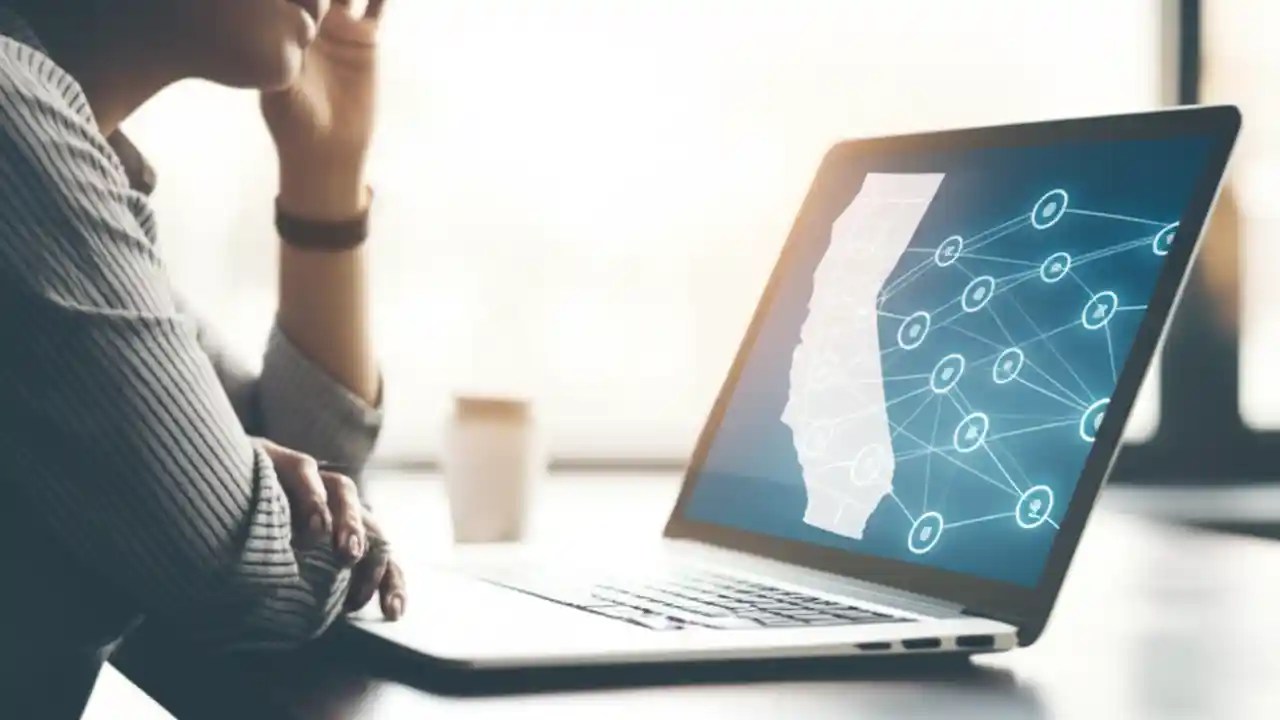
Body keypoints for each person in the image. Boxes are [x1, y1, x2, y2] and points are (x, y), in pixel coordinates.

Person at [0, 0, 406, 711]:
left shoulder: (60, 146)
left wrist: (326, 170)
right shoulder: (11, 115)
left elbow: (314, 471)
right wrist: (260, 500)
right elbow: (233, 569)